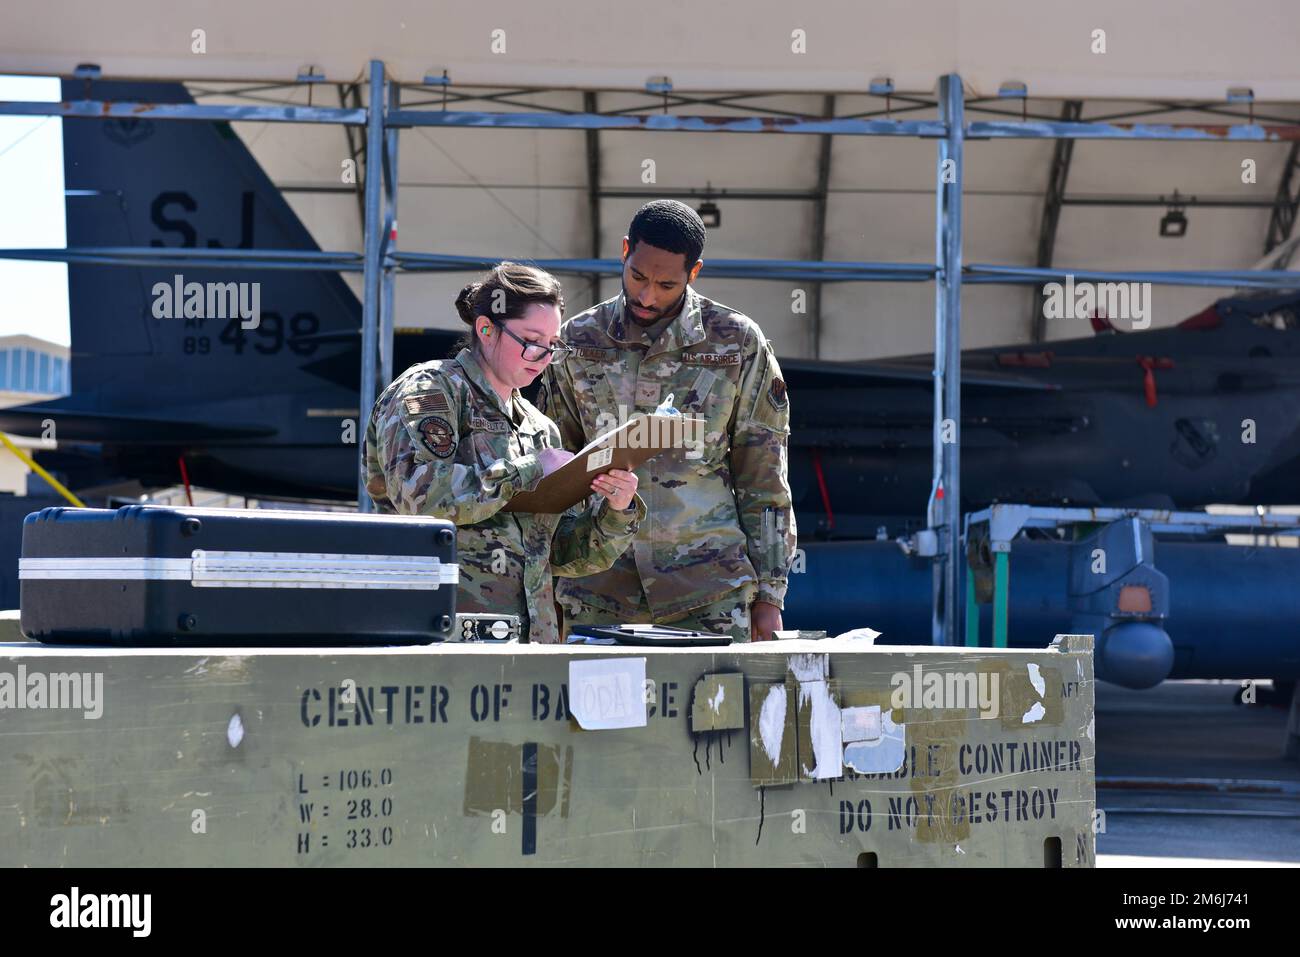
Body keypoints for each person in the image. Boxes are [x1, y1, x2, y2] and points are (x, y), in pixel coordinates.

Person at [538, 200, 796, 642]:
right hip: (597, 587)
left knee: (714, 713)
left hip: (707, 590)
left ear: (694, 273)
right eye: (638, 276)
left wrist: (770, 597)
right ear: (624, 251)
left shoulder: (736, 343)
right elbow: (553, 468)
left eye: (666, 284)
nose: (647, 296)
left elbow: (763, 477)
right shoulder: (577, 342)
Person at [364, 261, 646, 643]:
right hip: (441, 638)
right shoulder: (432, 391)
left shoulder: (538, 427)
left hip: (528, 646)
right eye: (531, 341)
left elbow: (559, 554)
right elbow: (423, 498)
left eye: (552, 346)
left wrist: (615, 511)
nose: (544, 357)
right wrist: (529, 470)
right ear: (486, 329)